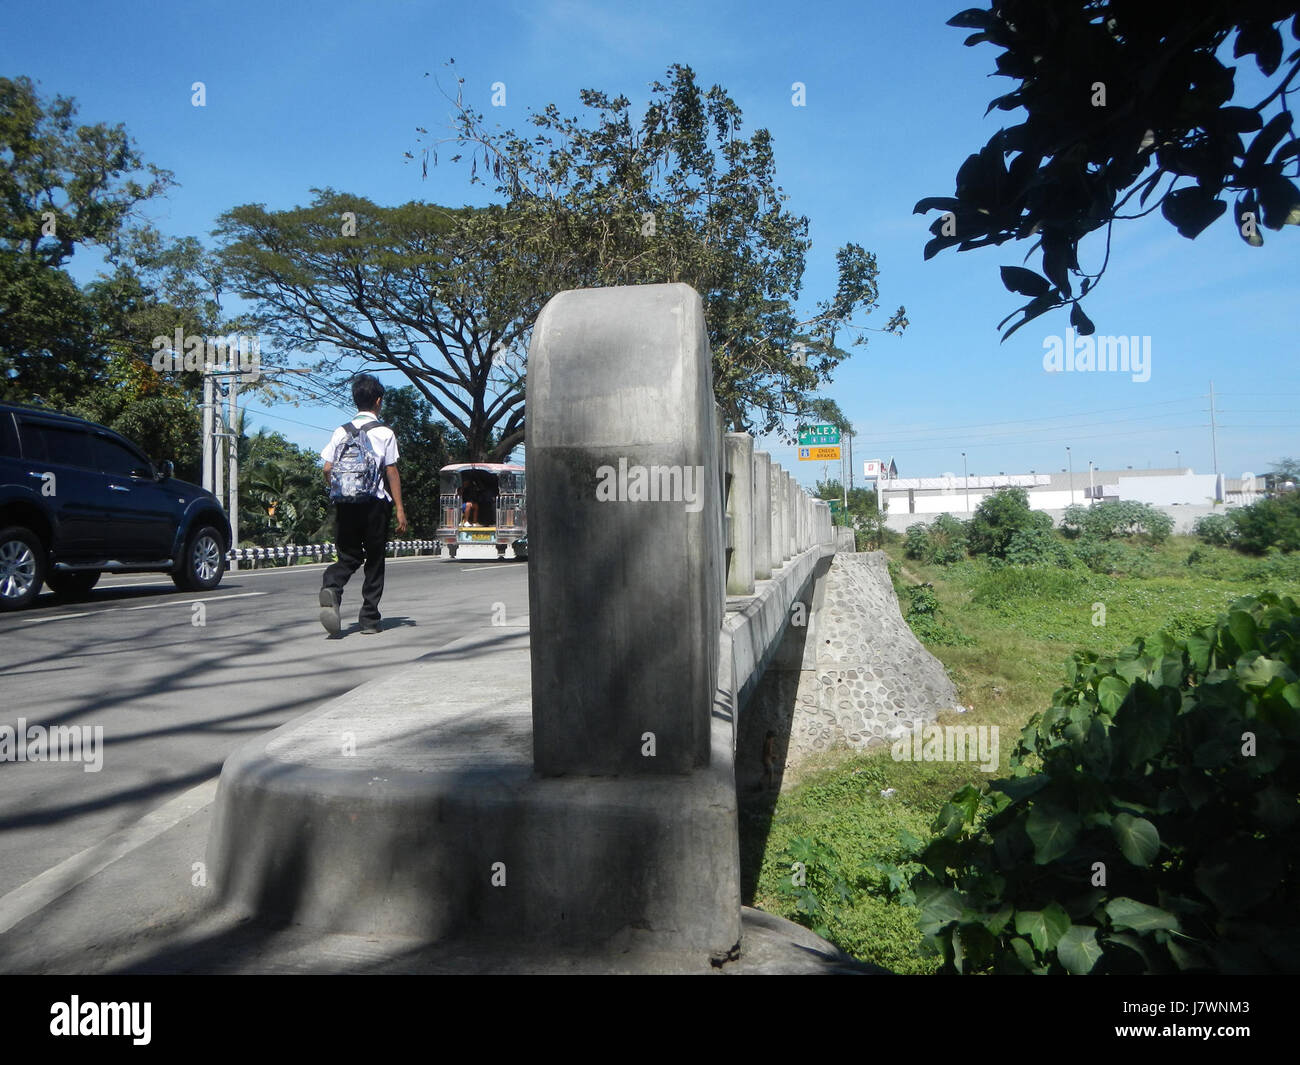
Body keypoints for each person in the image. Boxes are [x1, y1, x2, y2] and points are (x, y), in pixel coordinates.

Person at [318, 374, 407, 635]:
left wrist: (341, 489)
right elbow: (391, 471)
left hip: (345, 504)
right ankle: (369, 619)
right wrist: (400, 509)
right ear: (378, 401)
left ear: (355, 400)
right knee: (375, 559)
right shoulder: (384, 433)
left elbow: (326, 468)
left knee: (348, 554)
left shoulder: (340, 431)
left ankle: (332, 587)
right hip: (375, 504)